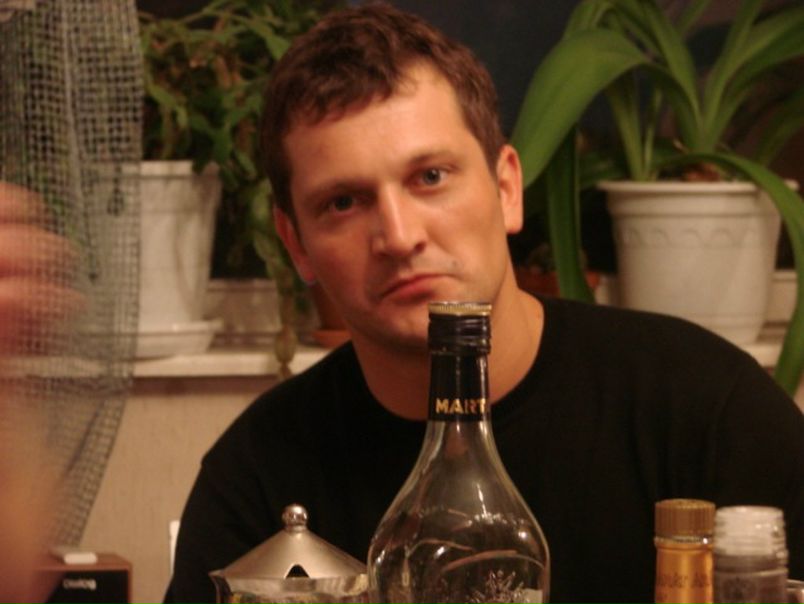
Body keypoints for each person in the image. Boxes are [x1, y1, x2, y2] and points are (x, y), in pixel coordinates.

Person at [167, 3, 804, 603]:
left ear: (507, 189)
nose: (399, 236)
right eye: (343, 202)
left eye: (430, 177)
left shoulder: (708, 411)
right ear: (295, 245)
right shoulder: (257, 477)